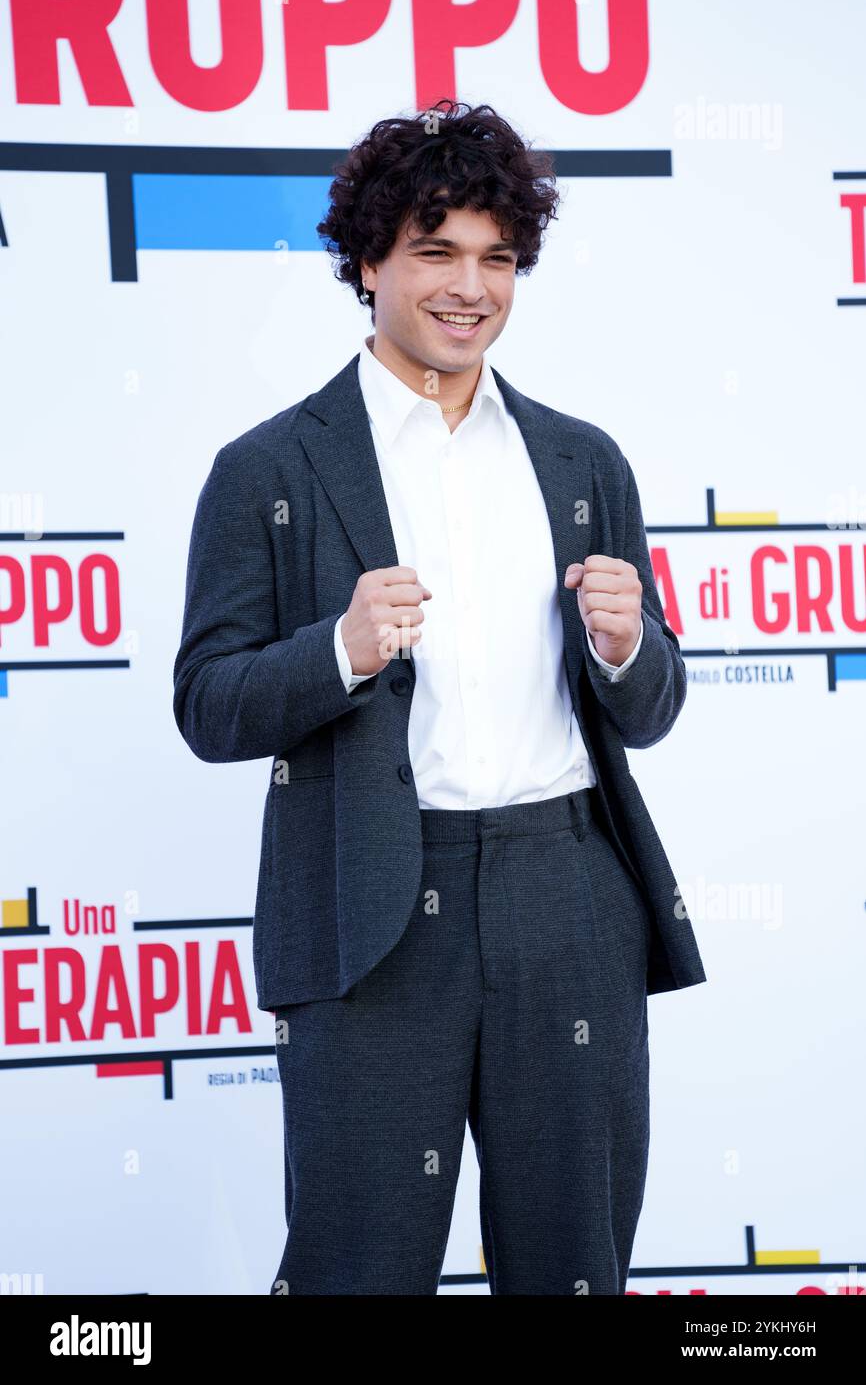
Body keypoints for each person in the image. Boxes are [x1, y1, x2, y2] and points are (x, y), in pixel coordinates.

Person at [172, 100, 706, 1296]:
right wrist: (342, 649)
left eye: (496, 258)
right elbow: (207, 703)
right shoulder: (269, 468)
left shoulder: (582, 462)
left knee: (574, 1265)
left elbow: (651, 705)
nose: (469, 288)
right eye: (434, 251)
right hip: (368, 915)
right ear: (366, 263)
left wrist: (628, 651)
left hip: (567, 898)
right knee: (355, 1268)